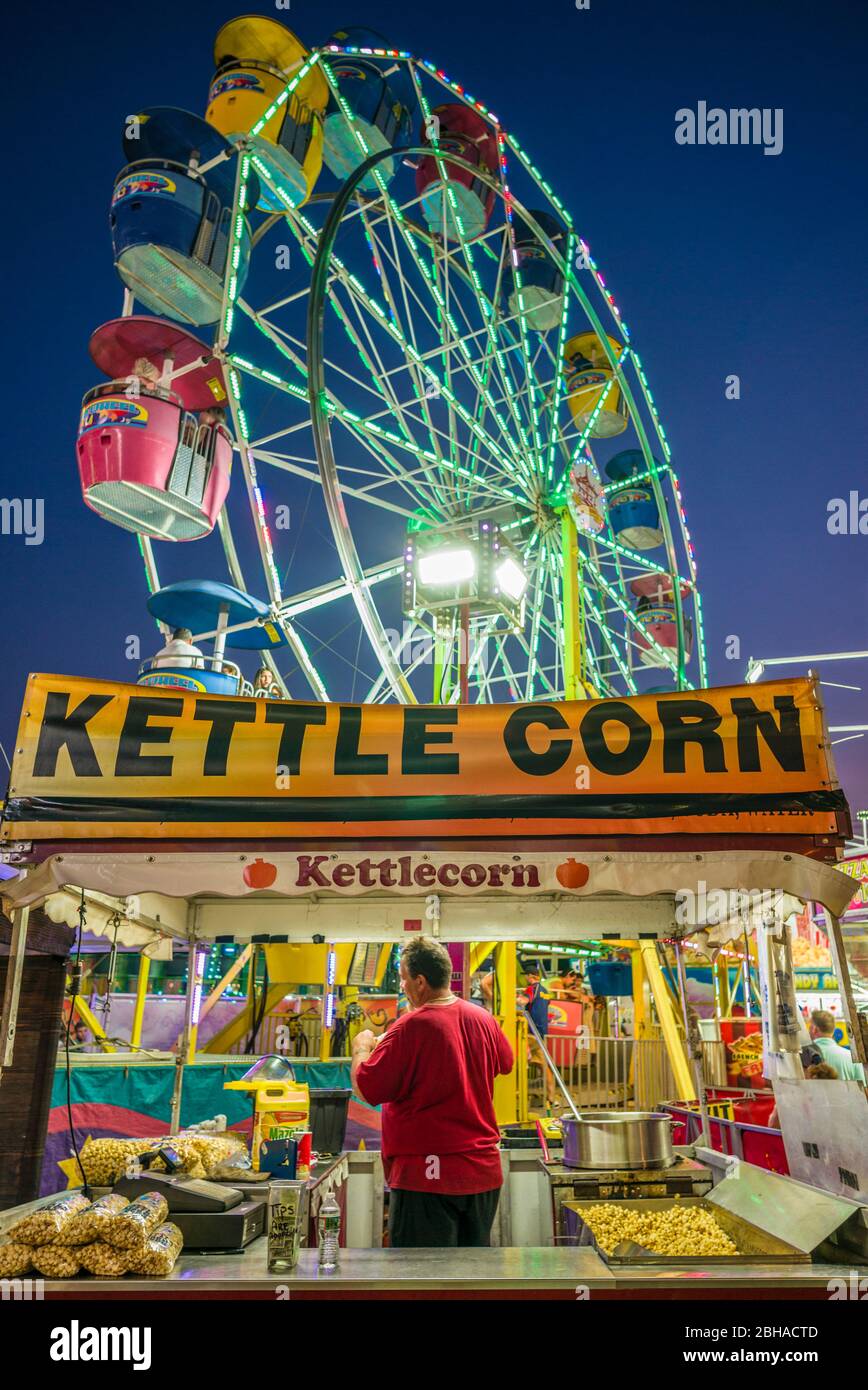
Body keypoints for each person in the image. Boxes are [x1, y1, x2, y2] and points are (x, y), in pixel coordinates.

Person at [351, 935, 513, 1249]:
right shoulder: (484, 1019)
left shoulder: (410, 1027)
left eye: (403, 979)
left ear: (420, 981)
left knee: (422, 1279)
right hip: (483, 1173)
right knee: (471, 1278)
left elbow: (366, 1088)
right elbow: (505, 1063)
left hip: (427, 1177)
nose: (403, 987)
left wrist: (361, 1049)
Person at [517, 960, 558, 1107]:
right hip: (541, 1034)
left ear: (530, 976)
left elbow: (522, 1002)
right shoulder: (546, 992)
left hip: (529, 1034)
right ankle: (552, 1098)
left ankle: (518, 1097)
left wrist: (513, 997)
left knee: (519, 1063)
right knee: (544, 1067)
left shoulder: (531, 988)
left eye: (526, 976)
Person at [806, 1009, 866, 1082]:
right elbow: (864, 1089)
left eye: (809, 1028)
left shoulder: (801, 1057)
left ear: (814, 1029)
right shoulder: (852, 1057)